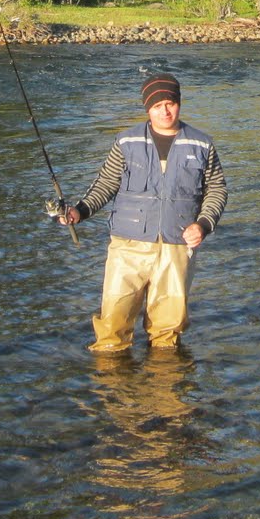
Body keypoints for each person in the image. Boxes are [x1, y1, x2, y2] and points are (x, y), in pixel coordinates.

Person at [57, 73, 227, 353]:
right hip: (128, 246)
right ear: (147, 108)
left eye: (170, 103)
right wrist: (79, 211)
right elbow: (106, 184)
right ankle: (111, 389)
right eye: (157, 105)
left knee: (167, 332)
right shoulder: (126, 141)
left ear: (179, 104)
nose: (165, 110)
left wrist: (203, 224)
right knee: (113, 324)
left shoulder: (202, 144)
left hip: (177, 246)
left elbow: (217, 190)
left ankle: (164, 389)